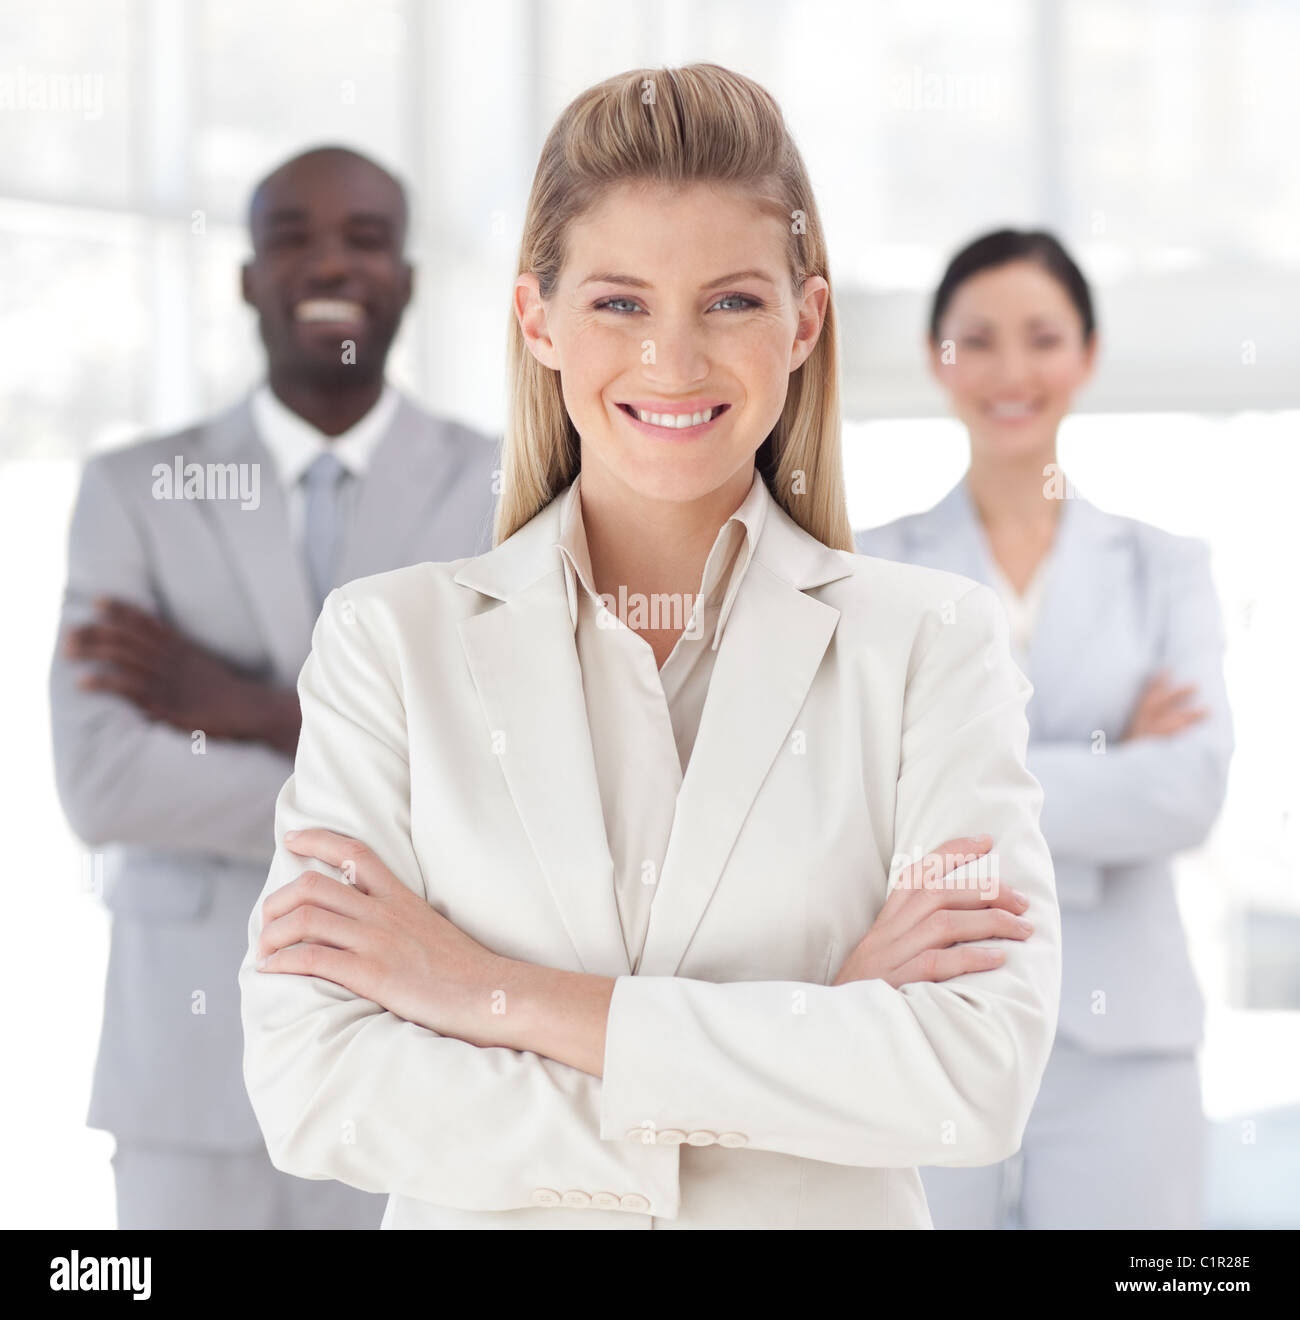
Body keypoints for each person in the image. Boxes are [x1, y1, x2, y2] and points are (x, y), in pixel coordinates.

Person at [239, 66, 1061, 1230]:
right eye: (619, 303)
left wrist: (481, 992)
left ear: (803, 321)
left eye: (729, 302)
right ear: (539, 320)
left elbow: (971, 1080)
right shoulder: (390, 644)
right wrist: (812, 1037)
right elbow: (317, 1088)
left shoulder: (931, 645)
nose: (672, 362)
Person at [49, 145, 499, 1229]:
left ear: (409, 279)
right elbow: (104, 782)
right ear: (248, 277)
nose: (328, 262)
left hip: (426, 1062)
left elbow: (512, 771)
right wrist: (384, 782)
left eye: (365, 237)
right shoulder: (133, 490)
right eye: (291, 237)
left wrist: (253, 708)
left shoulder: (508, 485)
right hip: (186, 1077)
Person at [855, 229, 1234, 1229]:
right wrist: (1112, 761)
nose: (1011, 371)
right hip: (934, 1013)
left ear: (1087, 354)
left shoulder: (1164, 564)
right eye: (976, 339)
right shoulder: (874, 569)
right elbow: (864, 801)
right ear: (938, 359)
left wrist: (964, 780)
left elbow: (1189, 789)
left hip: (1125, 1036)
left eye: (1042, 337)